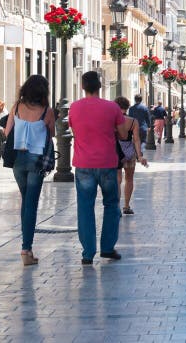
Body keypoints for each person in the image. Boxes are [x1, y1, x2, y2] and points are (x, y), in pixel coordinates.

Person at [69, 71, 127, 265]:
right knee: (111, 204)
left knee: (85, 207)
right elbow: (123, 133)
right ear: (100, 86)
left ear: (83, 86)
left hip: (83, 164)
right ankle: (108, 248)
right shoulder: (112, 107)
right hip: (107, 163)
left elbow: (74, 130)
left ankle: (88, 252)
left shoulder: (74, 108)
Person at [3, 75, 54, 266]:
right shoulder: (47, 111)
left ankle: (26, 248)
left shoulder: (16, 107)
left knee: (26, 201)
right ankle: (26, 249)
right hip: (36, 159)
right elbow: (52, 134)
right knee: (31, 204)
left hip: (17, 159)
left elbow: (7, 132)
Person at [114, 97, 148, 215]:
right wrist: (139, 156)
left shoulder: (112, 120)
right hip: (129, 152)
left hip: (116, 151)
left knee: (117, 180)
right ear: (127, 107)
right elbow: (137, 140)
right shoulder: (133, 121)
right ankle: (126, 206)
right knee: (129, 179)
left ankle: (116, 208)